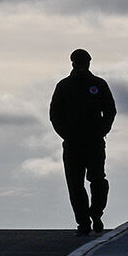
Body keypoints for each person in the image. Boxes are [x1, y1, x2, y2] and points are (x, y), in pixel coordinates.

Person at [50, 48, 117, 234]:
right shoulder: (64, 86)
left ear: (89, 63)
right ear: (72, 64)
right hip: (72, 143)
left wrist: (102, 130)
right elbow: (55, 114)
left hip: (95, 142)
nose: (81, 67)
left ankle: (96, 214)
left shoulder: (98, 84)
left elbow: (110, 110)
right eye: (78, 63)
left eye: (84, 63)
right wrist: (66, 134)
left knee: (98, 180)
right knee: (75, 184)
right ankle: (83, 223)